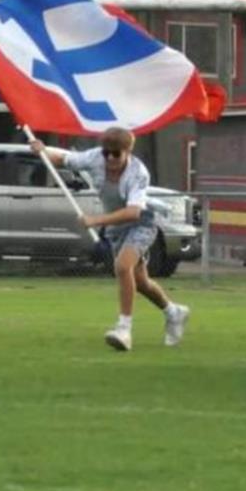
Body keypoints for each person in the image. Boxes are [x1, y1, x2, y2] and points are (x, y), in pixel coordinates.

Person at [32, 127, 190, 352]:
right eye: (107, 153)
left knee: (122, 267)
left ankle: (124, 329)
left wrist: (96, 220)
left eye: (116, 154)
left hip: (141, 222)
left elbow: (134, 212)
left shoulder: (138, 173)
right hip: (117, 228)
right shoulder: (95, 157)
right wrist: (42, 150)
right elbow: (65, 159)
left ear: (127, 151)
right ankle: (174, 312)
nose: (110, 158)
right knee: (141, 282)